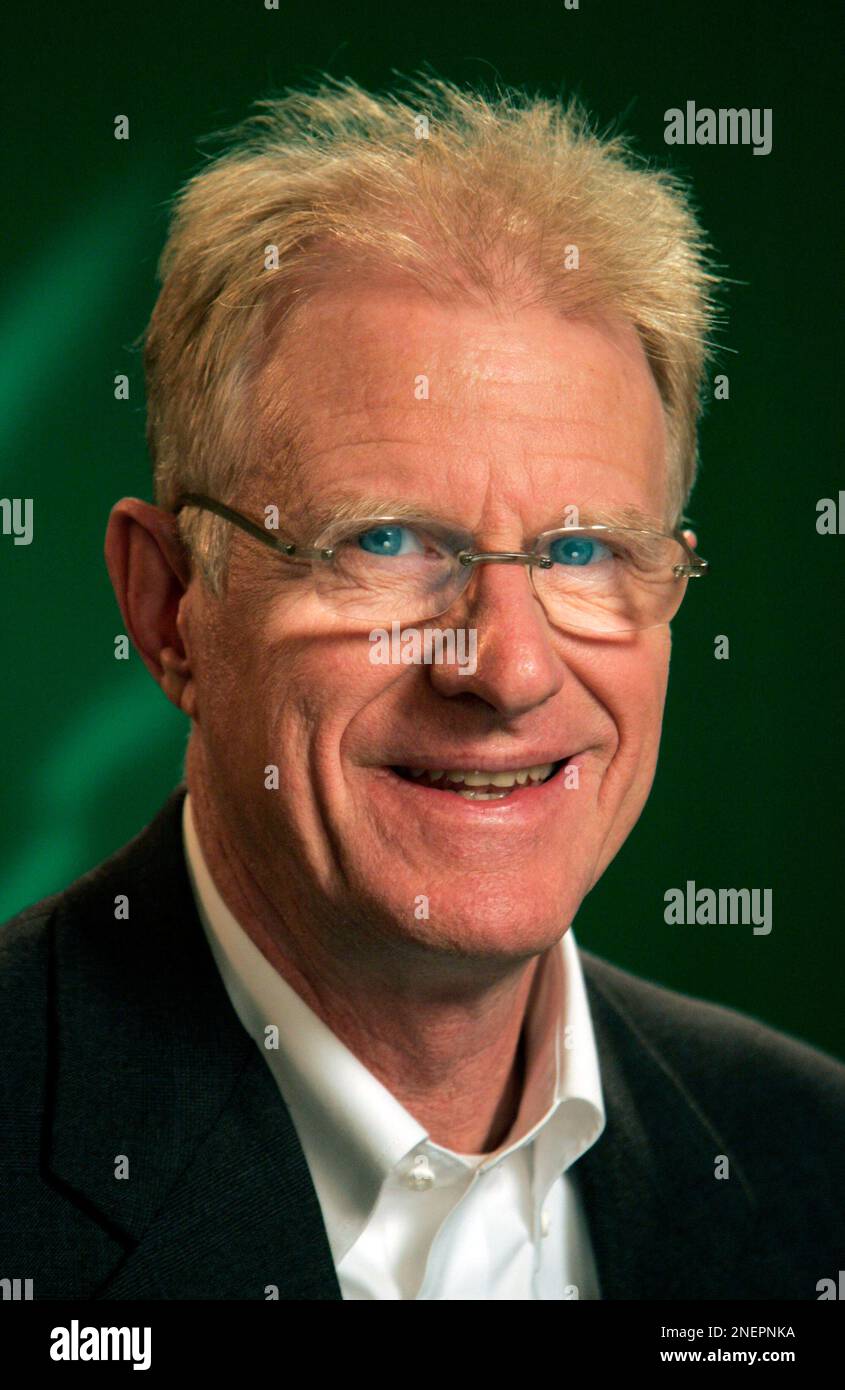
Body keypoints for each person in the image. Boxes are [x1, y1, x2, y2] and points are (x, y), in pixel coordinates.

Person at [1, 75, 842, 1301]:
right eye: (386, 542)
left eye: (582, 551)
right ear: (169, 607)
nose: (506, 669)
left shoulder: (808, 1163)